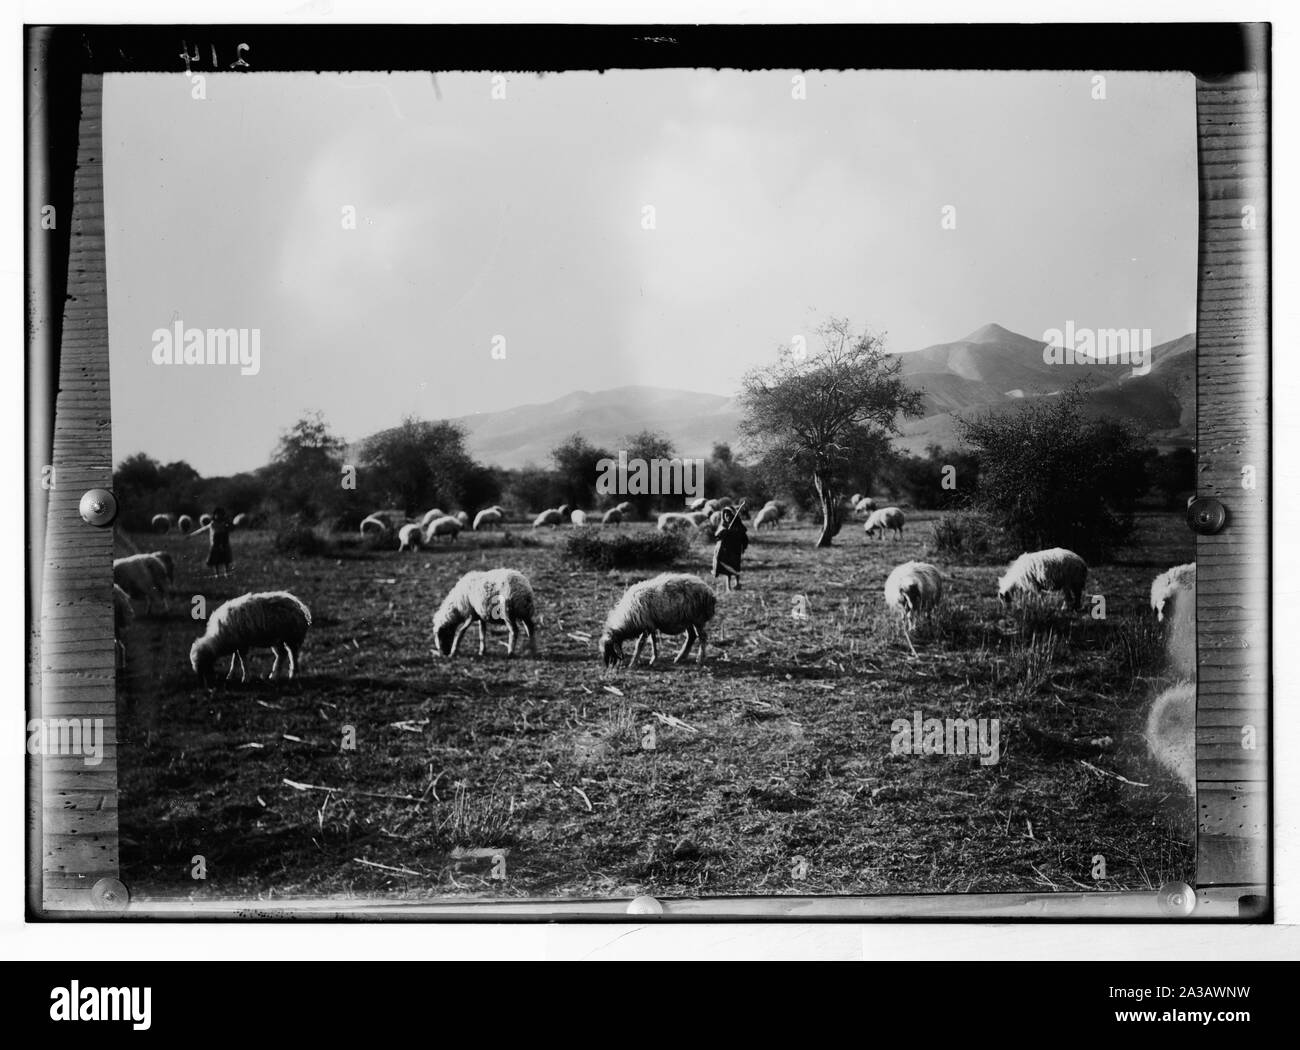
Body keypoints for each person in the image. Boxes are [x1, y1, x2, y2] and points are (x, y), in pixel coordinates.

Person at [712, 503, 749, 591]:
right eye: (725, 516)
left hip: (735, 550)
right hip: (726, 551)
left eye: (729, 516)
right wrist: (724, 533)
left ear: (732, 516)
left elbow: (743, 537)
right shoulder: (723, 526)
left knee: (736, 567)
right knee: (727, 569)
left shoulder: (738, 525)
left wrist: (743, 546)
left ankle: (737, 583)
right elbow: (718, 537)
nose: (727, 518)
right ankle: (728, 586)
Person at [190, 507, 235, 577]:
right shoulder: (212, 524)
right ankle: (216, 573)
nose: (218, 516)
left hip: (224, 543)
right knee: (215, 560)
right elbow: (202, 529)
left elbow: (232, 528)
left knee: (226, 558)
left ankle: (226, 572)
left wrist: (228, 523)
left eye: (220, 514)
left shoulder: (225, 524)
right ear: (214, 515)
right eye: (217, 514)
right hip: (215, 544)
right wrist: (191, 535)